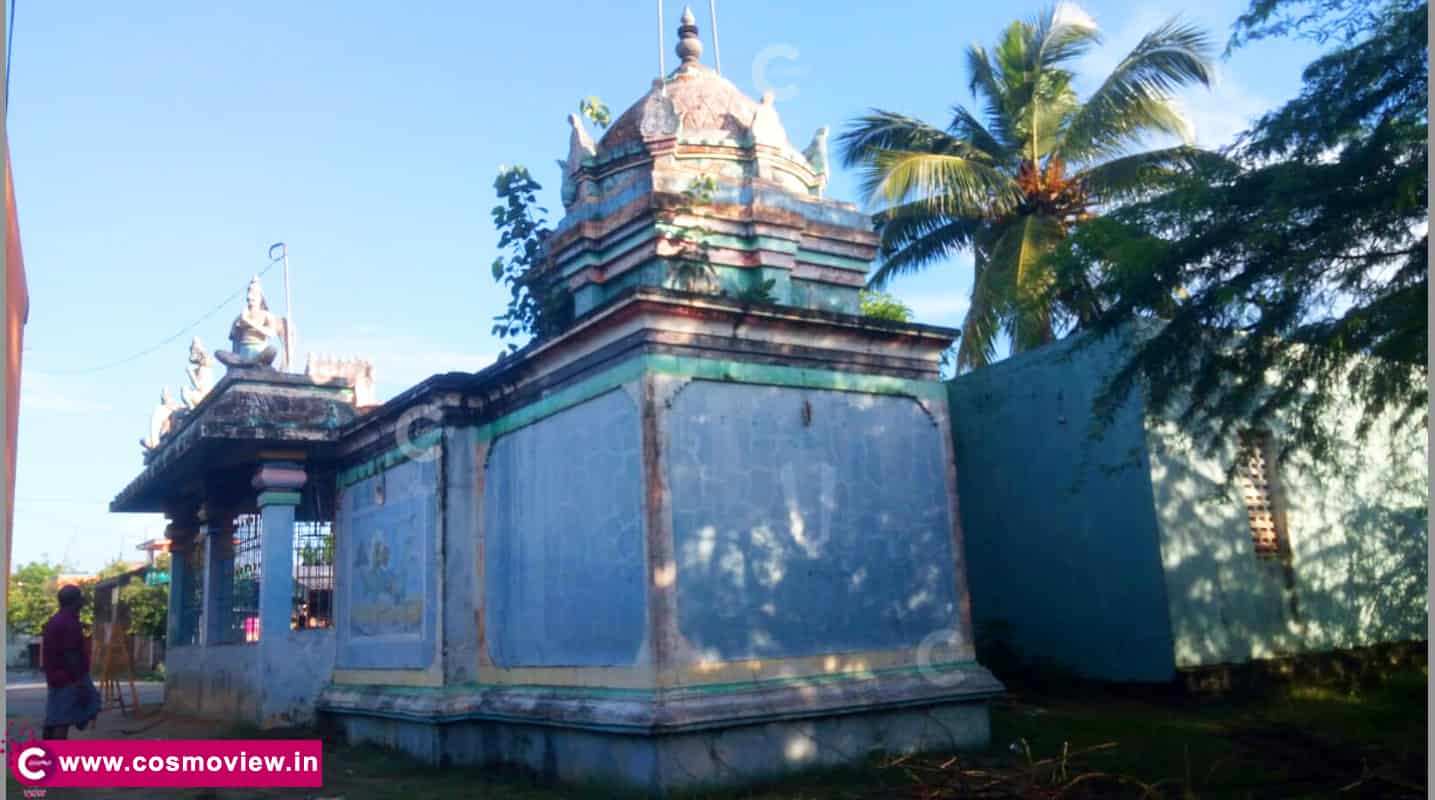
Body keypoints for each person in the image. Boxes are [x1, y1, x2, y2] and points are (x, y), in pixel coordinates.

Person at [41, 585, 101, 739]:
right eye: (80, 598)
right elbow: (70, 653)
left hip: (57, 676)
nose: (82, 601)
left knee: (57, 716)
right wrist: (78, 681)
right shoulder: (68, 623)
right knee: (65, 718)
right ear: (75, 601)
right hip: (67, 677)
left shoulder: (58, 620)